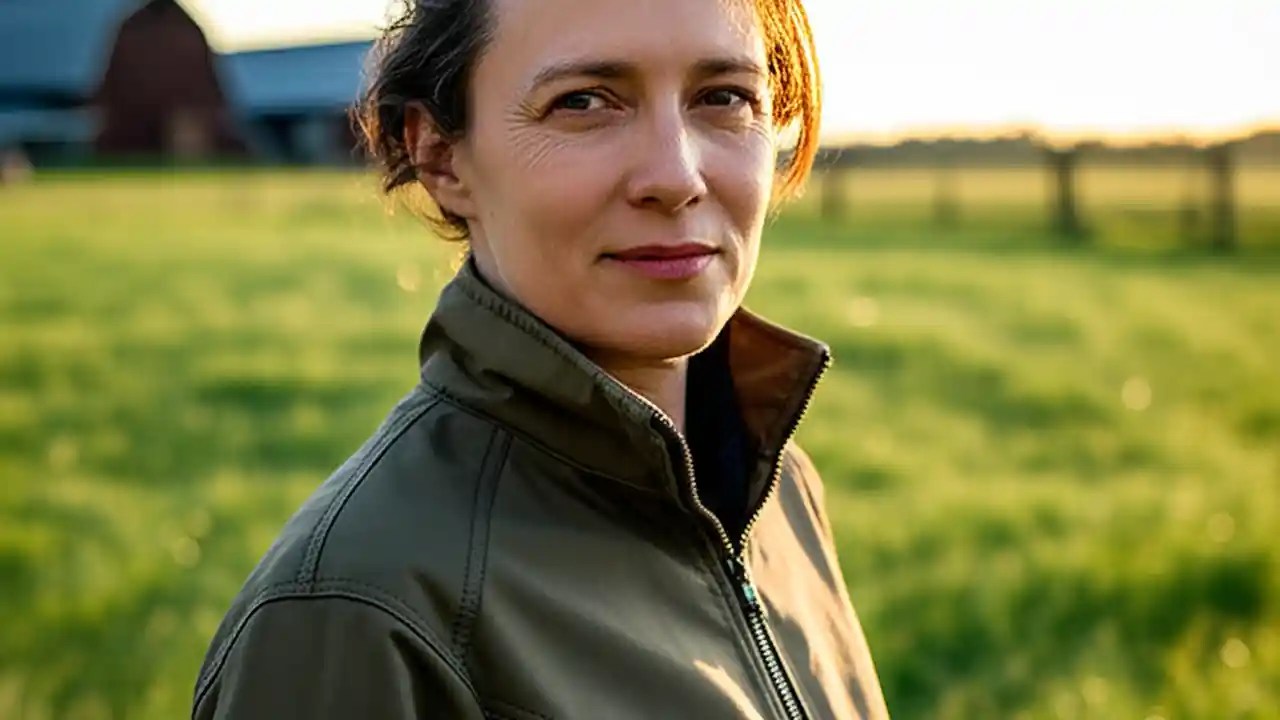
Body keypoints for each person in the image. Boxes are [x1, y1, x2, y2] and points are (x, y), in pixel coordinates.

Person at [192, 0, 889, 717]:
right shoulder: (355, 613)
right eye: (583, 102)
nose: (676, 175)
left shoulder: (779, 486)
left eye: (724, 98)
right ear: (438, 153)